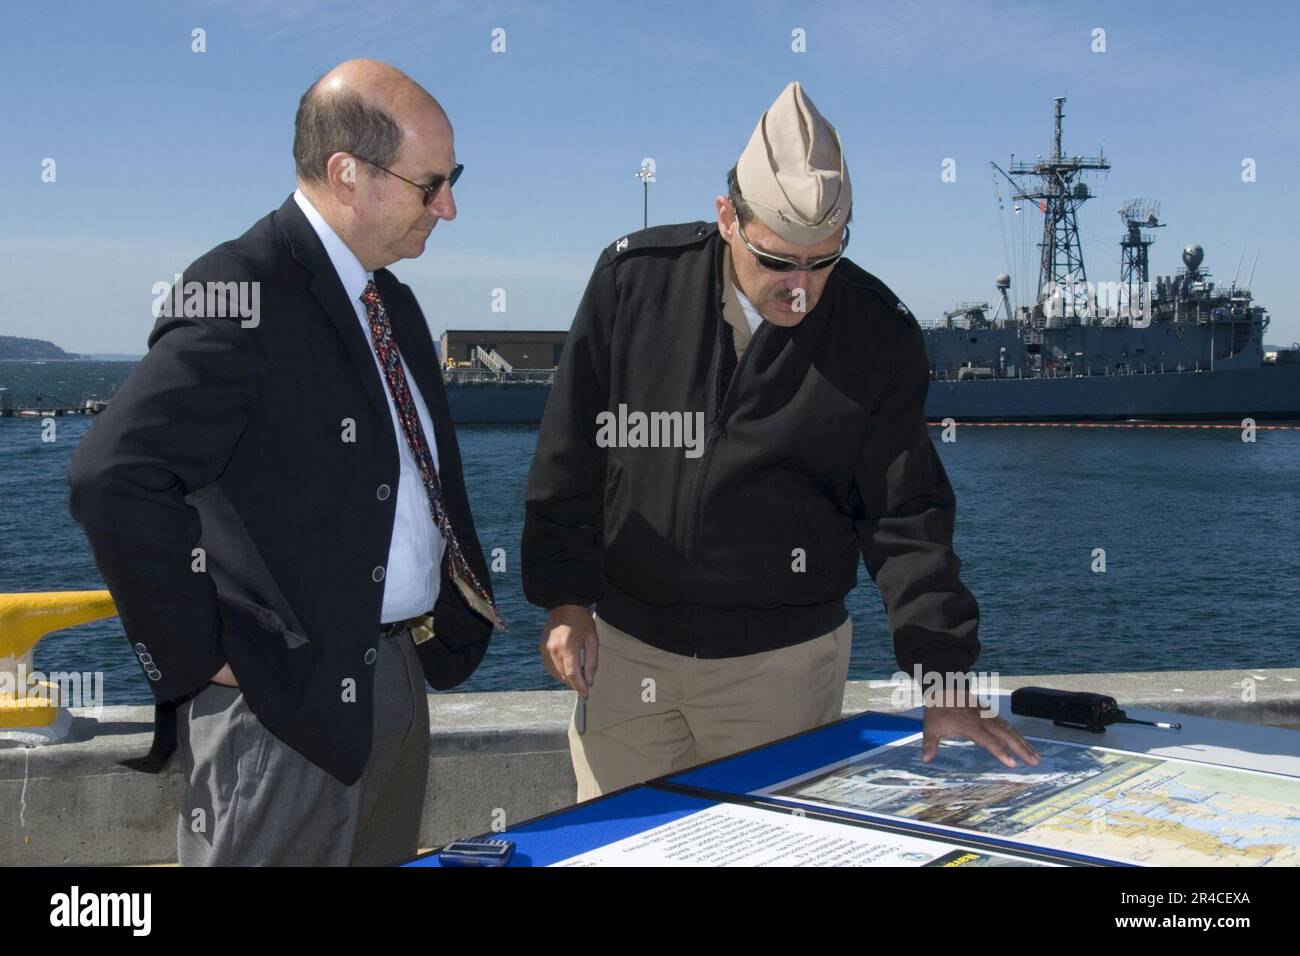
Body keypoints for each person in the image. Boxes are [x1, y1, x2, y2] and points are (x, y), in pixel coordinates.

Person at [522, 81, 1038, 801]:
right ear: (728, 217)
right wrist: (565, 599)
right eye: (778, 262)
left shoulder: (876, 334)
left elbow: (904, 515)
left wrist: (945, 677)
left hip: (781, 674)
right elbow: (571, 453)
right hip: (626, 658)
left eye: (823, 263)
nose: (801, 288)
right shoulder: (631, 283)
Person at [68, 59, 504, 865]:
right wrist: (206, 655)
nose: (448, 205)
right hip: (283, 709)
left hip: (392, 678)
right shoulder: (242, 285)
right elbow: (112, 475)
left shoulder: (389, 300)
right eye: (431, 183)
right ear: (349, 174)